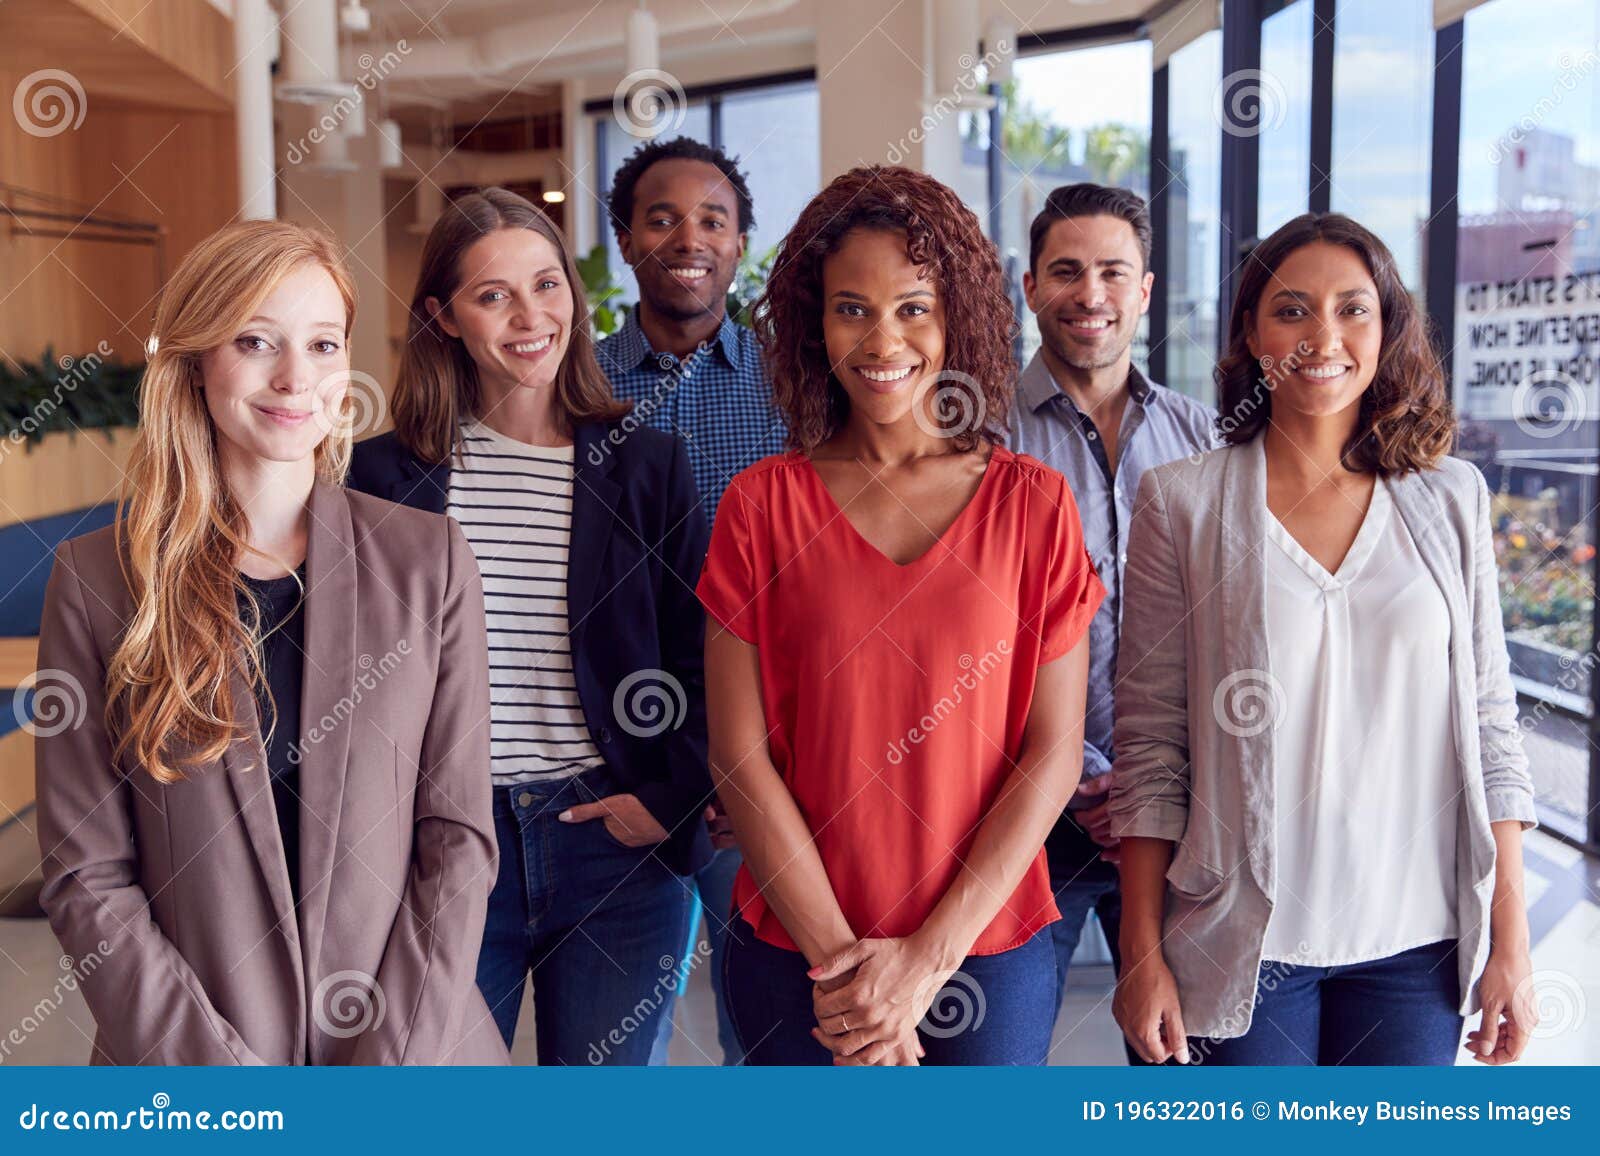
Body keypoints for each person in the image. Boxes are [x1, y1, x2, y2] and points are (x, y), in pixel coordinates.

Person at [34, 220, 507, 1064]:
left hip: (415, 1059)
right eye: (256, 340)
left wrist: (388, 1068)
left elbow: (458, 838)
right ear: (196, 359)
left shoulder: (428, 559)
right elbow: (87, 878)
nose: (297, 377)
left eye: (323, 344)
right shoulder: (98, 580)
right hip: (188, 1066)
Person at [1109, 212, 1540, 1066]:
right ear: (1250, 332)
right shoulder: (1182, 502)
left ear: (1387, 330)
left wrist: (1512, 941)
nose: (1324, 337)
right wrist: (1141, 951)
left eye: (1353, 309)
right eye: (1292, 310)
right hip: (1245, 947)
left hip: (1417, 945)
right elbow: (1152, 747)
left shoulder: (1451, 499)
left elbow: (1492, 721)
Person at [700, 165, 1104, 1066]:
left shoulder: (1033, 505)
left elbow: (1053, 751)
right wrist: (849, 973)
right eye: (852, 309)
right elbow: (739, 757)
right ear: (816, 321)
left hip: (982, 954)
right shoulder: (761, 505)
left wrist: (923, 964)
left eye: (913, 307)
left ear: (956, 313)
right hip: (797, 955)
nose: (883, 339)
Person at [348, 187, 711, 1066]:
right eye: (493, 295)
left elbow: (704, 655)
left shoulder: (647, 465)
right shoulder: (380, 476)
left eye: (547, 285)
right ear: (442, 317)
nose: (530, 316)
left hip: (610, 848)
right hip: (446, 848)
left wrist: (670, 804)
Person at [596, 136, 786, 1064]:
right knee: (625, 1028)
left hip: (759, 748)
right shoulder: (575, 387)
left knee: (761, 1022)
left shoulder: (793, 386)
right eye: (661, 217)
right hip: (623, 753)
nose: (688, 237)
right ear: (626, 241)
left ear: (740, 244)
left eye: (713, 218)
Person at [1005, 184, 1214, 1034]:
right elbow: (974, 636)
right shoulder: (979, 441)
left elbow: (1230, 625)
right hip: (1021, 815)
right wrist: (1083, 768)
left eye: (1112, 272)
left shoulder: (1209, 440)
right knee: (994, 1063)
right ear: (1029, 288)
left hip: (1183, 821)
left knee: (1181, 1077)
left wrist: (1149, 778)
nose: (1090, 294)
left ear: (1146, 290)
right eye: (1066, 271)